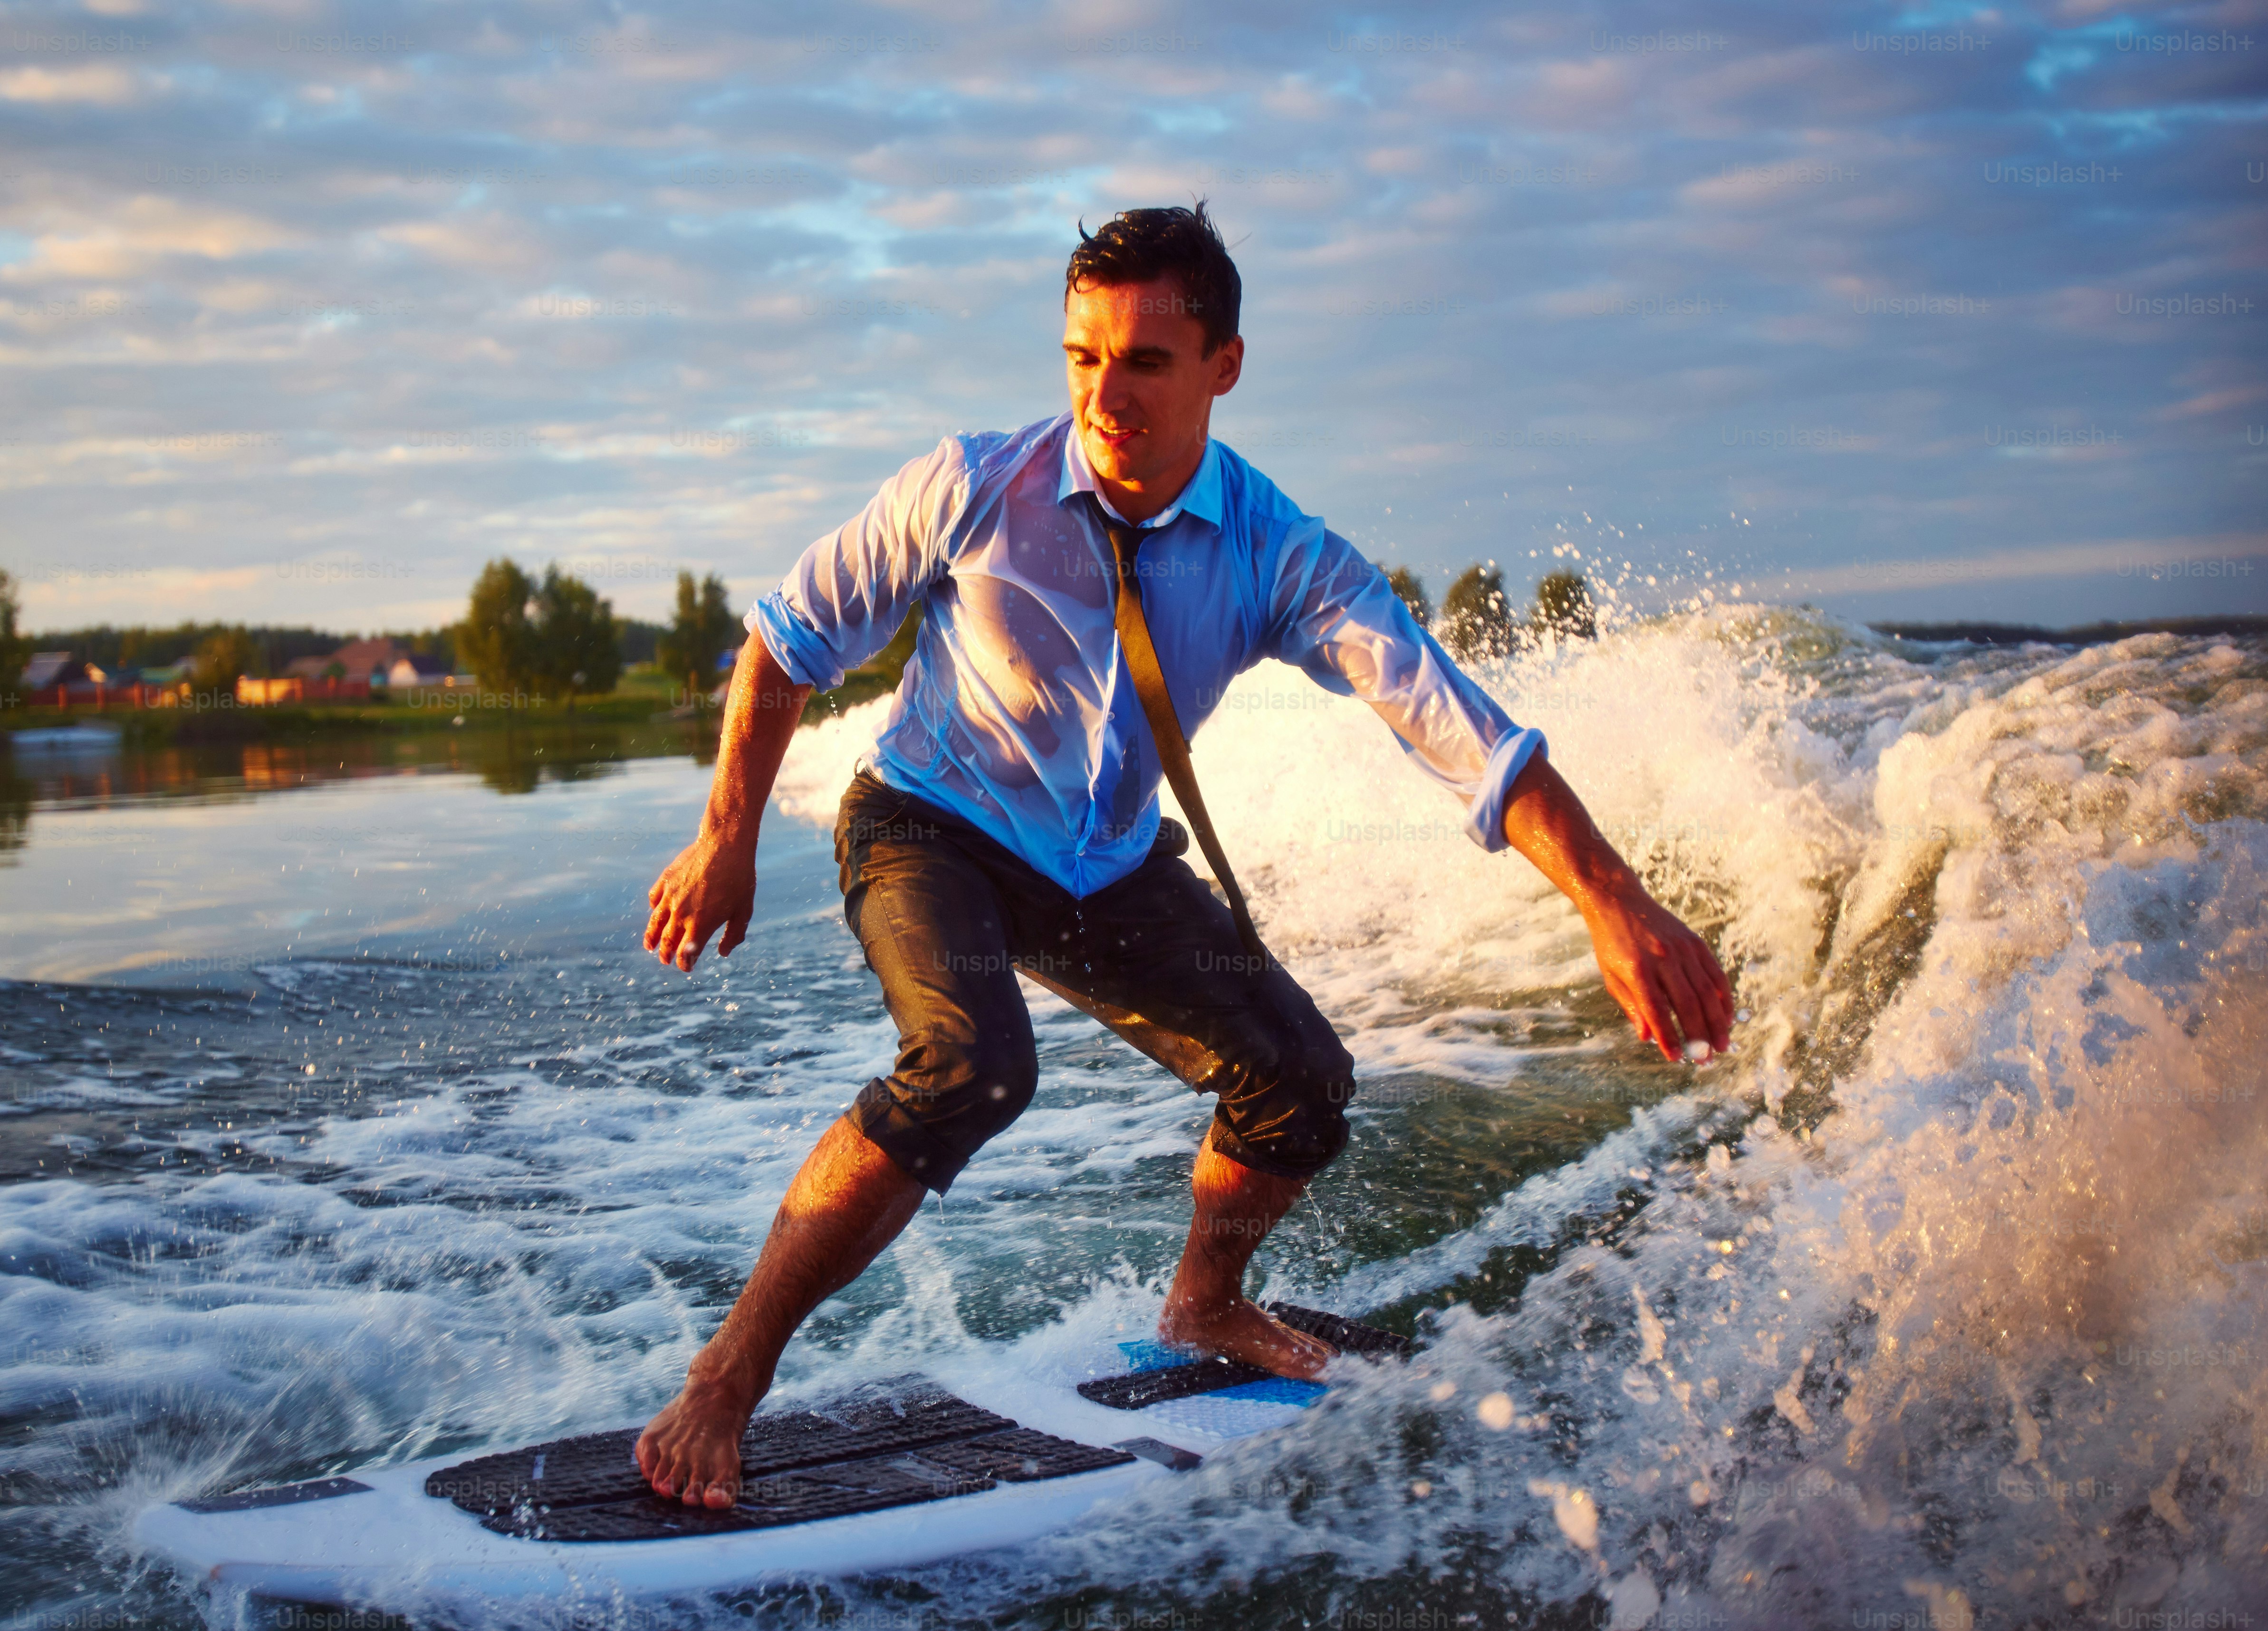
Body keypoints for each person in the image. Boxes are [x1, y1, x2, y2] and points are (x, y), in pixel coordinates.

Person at [634, 203, 1732, 1507]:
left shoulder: (1279, 551)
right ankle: (726, 1377)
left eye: (1146, 361)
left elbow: (1459, 727)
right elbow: (785, 642)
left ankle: (1204, 1308)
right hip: (929, 826)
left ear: (1224, 366)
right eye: (1083, 357)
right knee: (972, 1068)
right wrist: (725, 840)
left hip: (1101, 862)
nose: (1106, 394)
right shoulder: (970, 487)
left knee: (1302, 1082)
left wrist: (1615, 899)